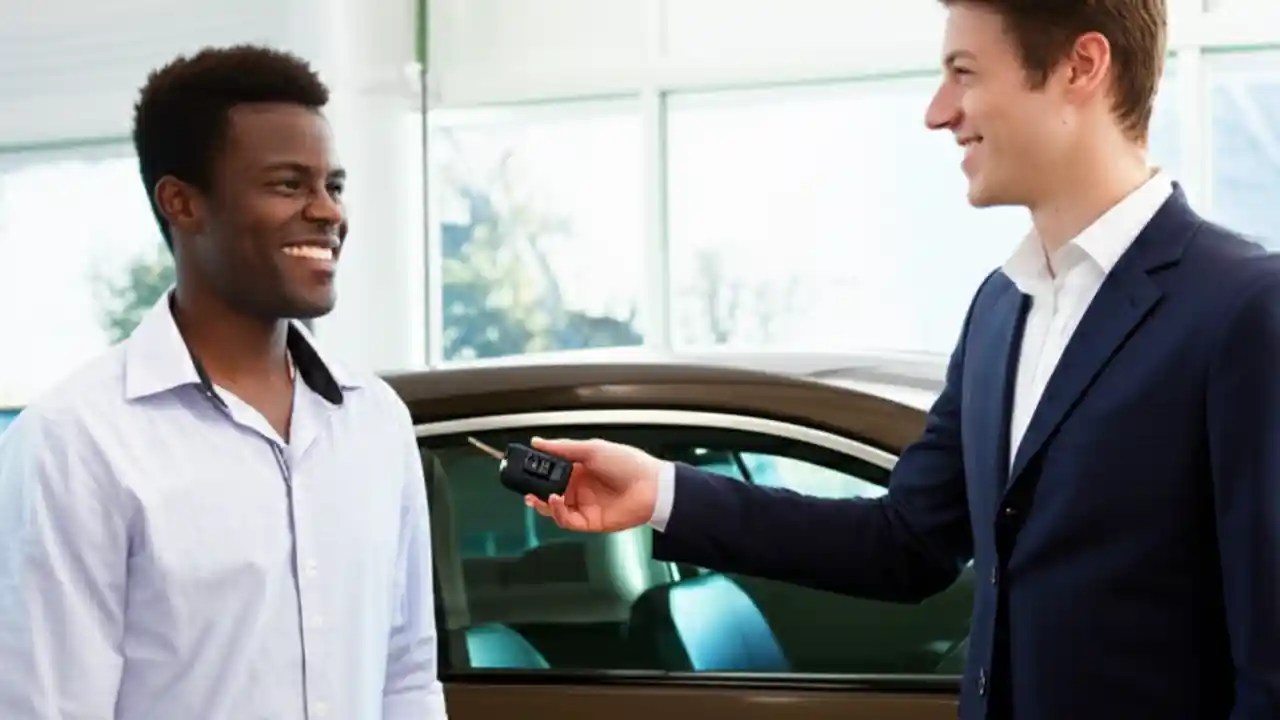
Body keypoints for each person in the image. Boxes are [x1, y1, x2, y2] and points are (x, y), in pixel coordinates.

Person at [526, 1, 1280, 718]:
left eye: (965, 72)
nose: (938, 111)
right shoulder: (1000, 309)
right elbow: (905, 543)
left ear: (1081, 66)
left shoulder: (1243, 309)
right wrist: (661, 490)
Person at [0, 46, 447, 719]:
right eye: (289, 184)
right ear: (182, 202)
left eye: (334, 184)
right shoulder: (76, 442)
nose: (328, 212)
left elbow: (406, 678)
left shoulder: (375, 421)